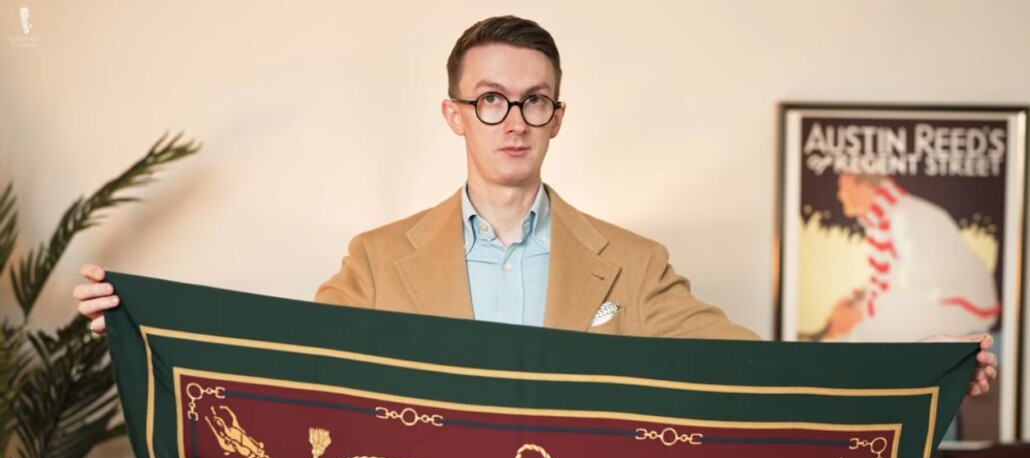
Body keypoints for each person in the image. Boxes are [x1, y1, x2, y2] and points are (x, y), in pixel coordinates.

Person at [73, 16, 997, 395]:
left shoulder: (632, 264)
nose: (512, 119)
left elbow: (746, 375)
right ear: (456, 114)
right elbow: (293, 378)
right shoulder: (375, 257)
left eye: (534, 100)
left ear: (558, 116)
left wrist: (912, 367)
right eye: (491, 99)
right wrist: (137, 325)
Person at [822, 173, 1000, 342]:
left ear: (862, 185)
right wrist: (857, 301)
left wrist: (860, 313)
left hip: (961, 307)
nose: (840, 195)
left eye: (843, 188)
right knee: (856, 335)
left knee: (861, 336)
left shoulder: (906, 217)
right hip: (937, 303)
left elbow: (919, 291)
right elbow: (890, 284)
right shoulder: (888, 219)